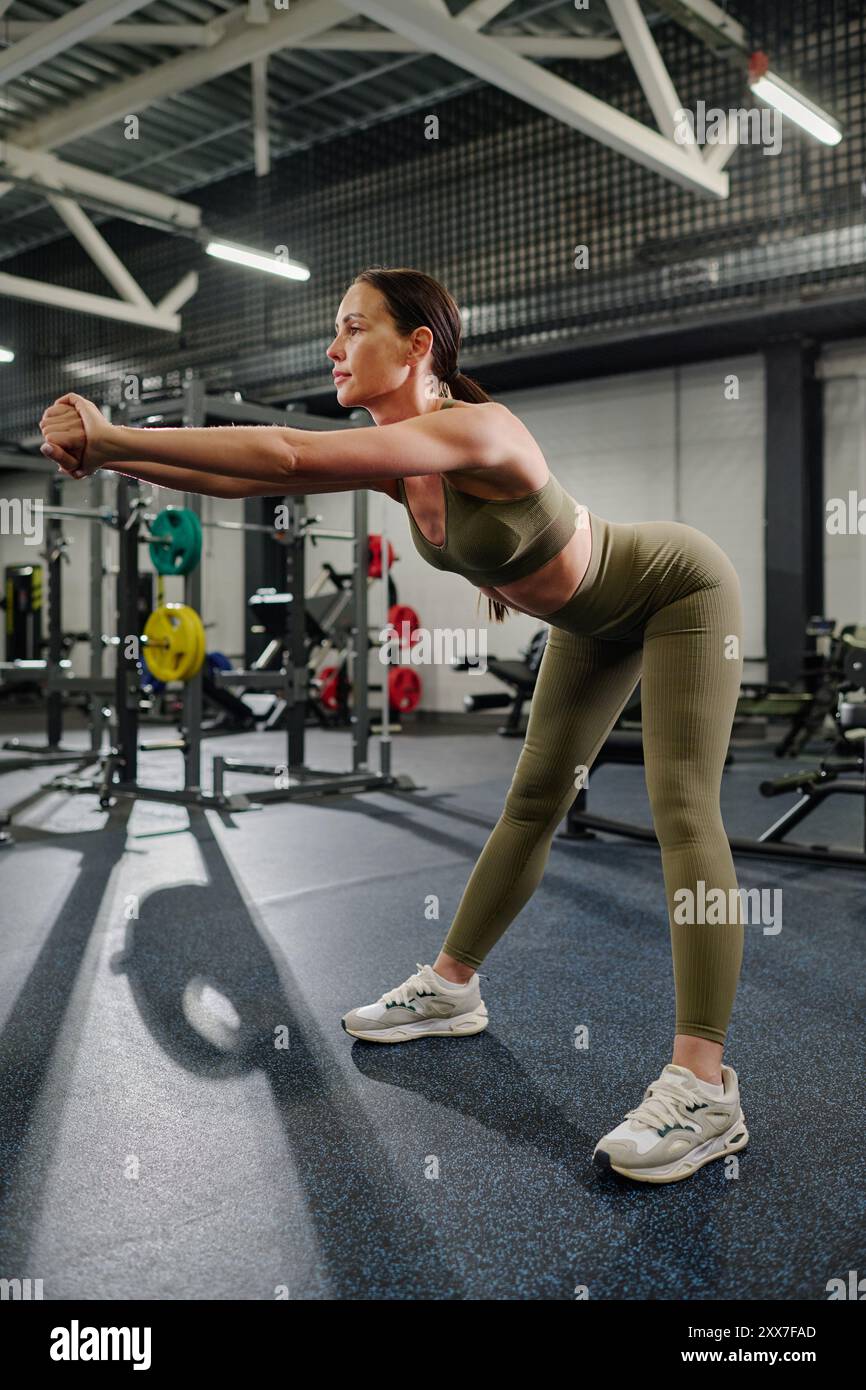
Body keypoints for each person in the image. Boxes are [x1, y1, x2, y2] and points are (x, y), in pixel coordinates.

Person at [39, 266, 749, 1184]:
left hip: (676, 587)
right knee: (533, 799)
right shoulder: (407, 463)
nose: (332, 349)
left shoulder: (481, 430)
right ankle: (452, 988)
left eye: (352, 327)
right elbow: (250, 484)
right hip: (588, 622)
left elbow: (289, 455)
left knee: (680, 807)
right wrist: (110, 456)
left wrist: (111, 428)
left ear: (420, 345)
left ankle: (705, 1084)